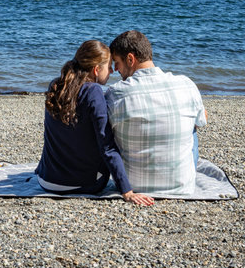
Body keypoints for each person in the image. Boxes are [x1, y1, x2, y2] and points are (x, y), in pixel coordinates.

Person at [35, 39, 154, 206]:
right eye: (109, 66)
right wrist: (126, 191)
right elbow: (107, 146)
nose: (112, 70)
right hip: (83, 184)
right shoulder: (94, 91)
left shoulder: (55, 85)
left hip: (46, 181)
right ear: (97, 70)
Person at [105, 30, 207, 196]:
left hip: (132, 186)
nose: (115, 69)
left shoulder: (116, 93)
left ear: (130, 59)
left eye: (117, 62)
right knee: (193, 125)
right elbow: (202, 120)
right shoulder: (186, 84)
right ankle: (176, 173)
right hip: (182, 187)